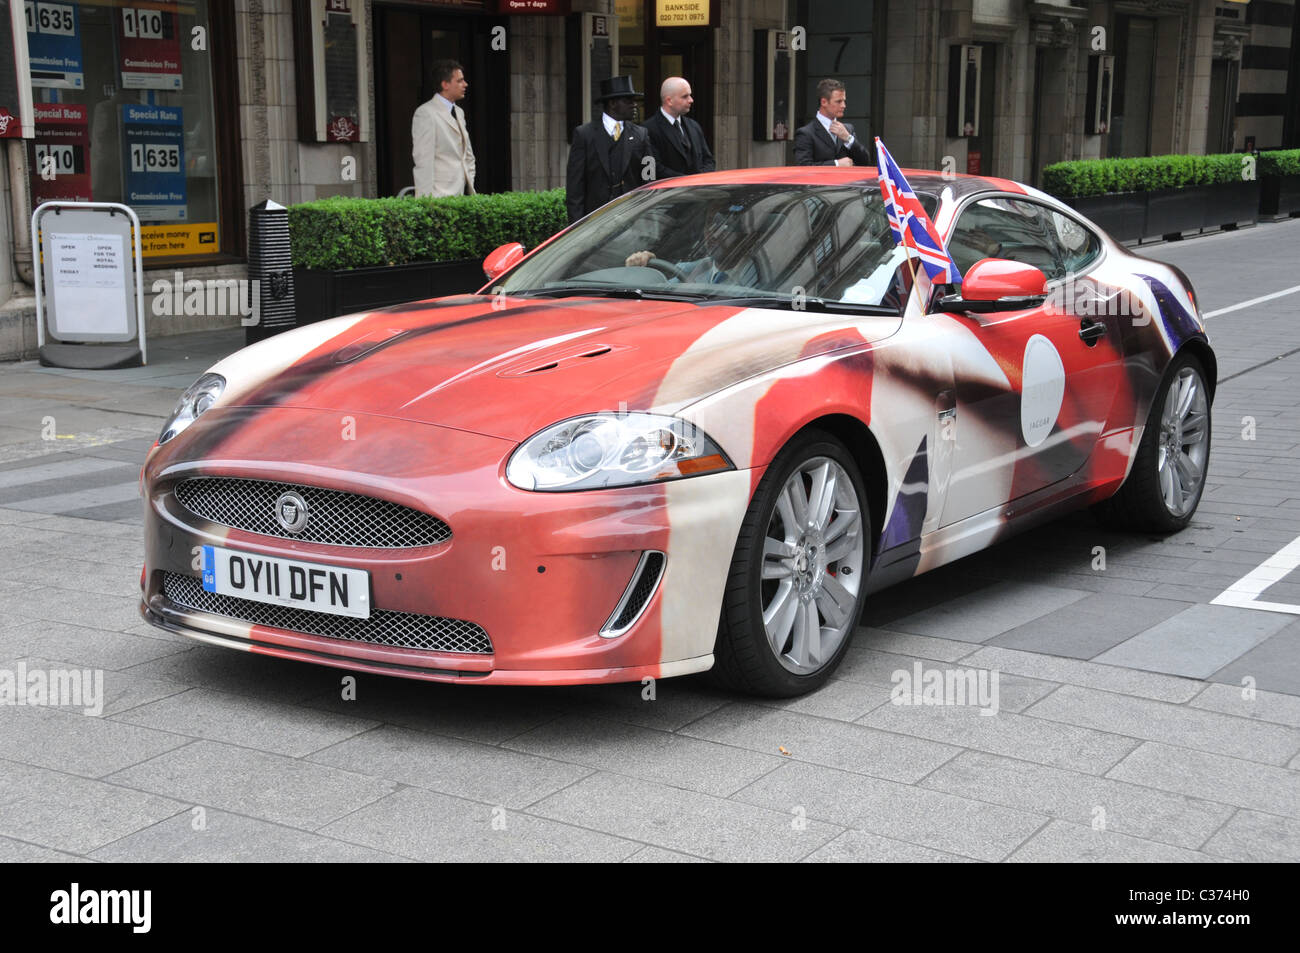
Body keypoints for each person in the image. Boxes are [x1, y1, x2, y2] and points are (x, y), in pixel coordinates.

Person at [565, 75, 657, 223]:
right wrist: (577, 226)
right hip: (595, 222)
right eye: (628, 101)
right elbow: (575, 187)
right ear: (612, 103)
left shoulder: (641, 134)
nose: (634, 106)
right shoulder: (584, 135)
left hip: (632, 220)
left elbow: (650, 177)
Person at [412, 60, 476, 197]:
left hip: (463, 194)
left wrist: (470, 181)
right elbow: (423, 160)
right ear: (445, 84)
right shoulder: (426, 113)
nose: (465, 84)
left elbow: (467, 155)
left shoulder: (459, 112)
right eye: (460, 81)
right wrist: (425, 202)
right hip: (439, 196)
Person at [642, 77, 715, 178]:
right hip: (669, 192)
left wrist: (699, 180)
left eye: (690, 95)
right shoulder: (647, 129)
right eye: (685, 96)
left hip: (698, 190)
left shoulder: (694, 126)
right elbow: (655, 169)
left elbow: (708, 160)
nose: (691, 100)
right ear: (669, 101)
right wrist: (685, 182)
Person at [794, 78, 873, 167]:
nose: (844, 105)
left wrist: (848, 139)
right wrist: (836, 164)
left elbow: (865, 162)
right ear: (824, 102)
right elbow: (803, 166)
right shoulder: (806, 133)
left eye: (844, 101)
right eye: (839, 101)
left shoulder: (848, 129)